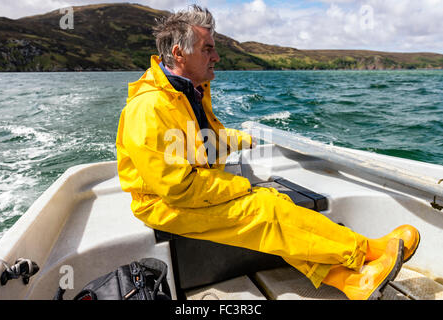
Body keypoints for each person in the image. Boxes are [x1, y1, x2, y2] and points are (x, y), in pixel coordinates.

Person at [115, 5, 420, 300]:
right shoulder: (150, 108)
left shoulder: (187, 91)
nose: (216, 57)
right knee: (266, 209)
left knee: (275, 202)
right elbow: (177, 189)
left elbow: (206, 139)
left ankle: (351, 281)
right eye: (207, 48)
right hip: (163, 205)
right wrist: (241, 186)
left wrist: (243, 140)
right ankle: (367, 251)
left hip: (193, 189)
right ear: (179, 53)